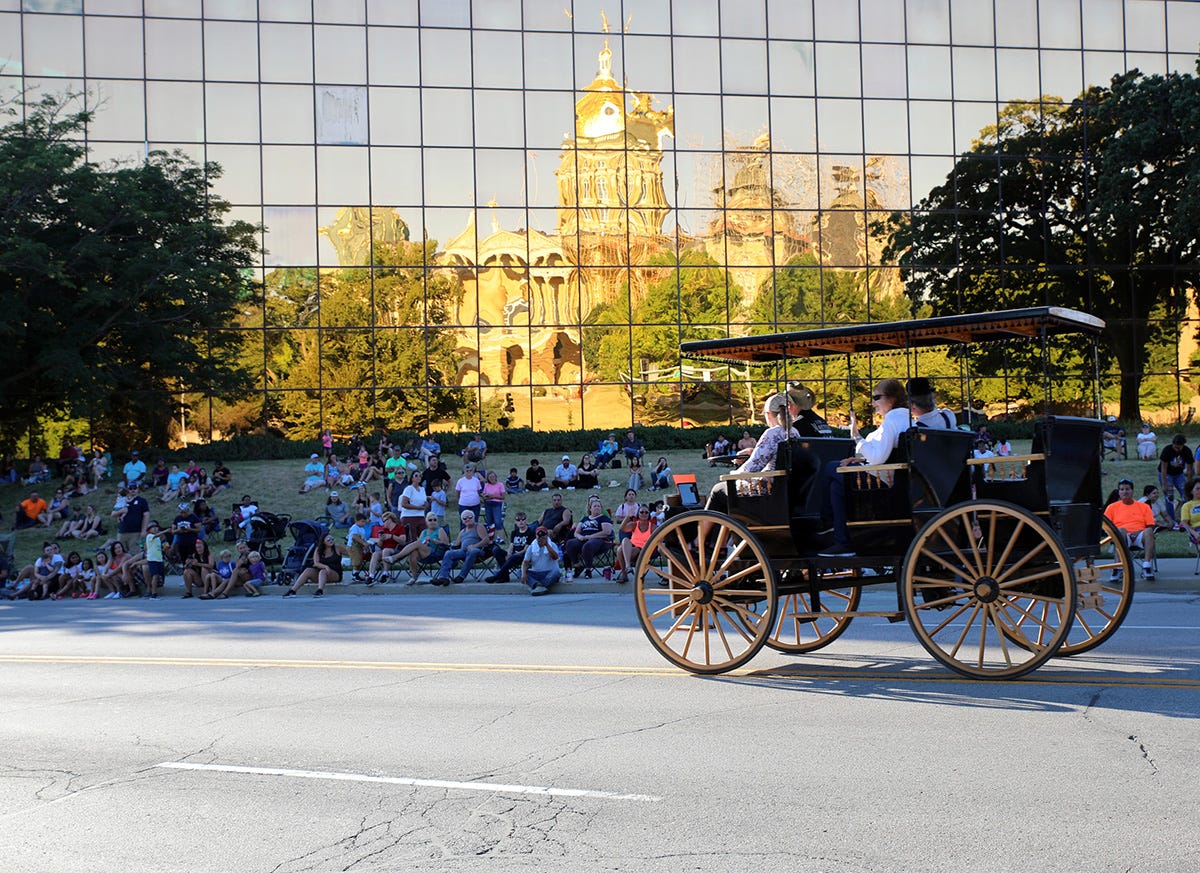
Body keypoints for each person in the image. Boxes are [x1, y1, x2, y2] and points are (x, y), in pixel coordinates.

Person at [820, 379, 910, 557]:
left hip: (881, 480)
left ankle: (828, 524)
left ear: (891, 399)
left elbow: (878, 457)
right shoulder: (905, 417)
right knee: (836, 485)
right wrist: (858, 459)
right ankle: (840, 537)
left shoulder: (892, 419)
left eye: (877, 397)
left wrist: (857, 437)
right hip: (888, 476)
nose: (873, 402)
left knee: (831, 468)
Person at [707, 393, 799, 513]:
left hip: (765, 491)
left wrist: (733, 474)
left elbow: (752, 468)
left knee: (718, 489)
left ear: (768, 414)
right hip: (785, 490)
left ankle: (703, 531)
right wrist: (753, 452)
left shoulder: (772, 433)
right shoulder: (795, 433)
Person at [1104, 477, 1157, 581]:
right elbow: (1106, 527)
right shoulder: (1112, 507)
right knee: (1121, 530)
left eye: (1127, 489)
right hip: (1122, 537)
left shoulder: (1144, 506)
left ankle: (1146, 566)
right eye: (1122, 489)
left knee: (1149, 531)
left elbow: (1151, 525)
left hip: (1140, 536)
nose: (1125, 492)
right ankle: (1118, 568)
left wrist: (1137, 533)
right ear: (1118, 492)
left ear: (1132, 491)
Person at [562, 494, 614, 579]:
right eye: (595, 506)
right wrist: (580, 537)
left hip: (600, 540)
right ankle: (577, 565)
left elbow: (606, 532)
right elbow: (576, 532)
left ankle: (588, 570)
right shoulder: (585, 519)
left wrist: (591, 536)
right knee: (570, 543)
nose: (597, 507)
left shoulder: (604, 518)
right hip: (584, 539)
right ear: (590, 508)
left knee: (588, 545)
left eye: (599, 506)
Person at [434, 509, 490, 586]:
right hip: (463, 551)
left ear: (474, 518)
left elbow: (486, 540)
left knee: (472, 551)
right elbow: (456, 545)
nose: (467, 519)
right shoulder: (462, 531)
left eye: (470, 517)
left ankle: (461, 576)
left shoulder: (478, 526)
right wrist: (446, 545)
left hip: (479, 551)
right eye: (464, 518)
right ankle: (443, 578)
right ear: (462, 521)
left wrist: (474, 546)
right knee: (449, 553)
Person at [284, 532, 350, 597]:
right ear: (323, 542)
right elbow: (316, 563)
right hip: (321, 573)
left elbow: (351, 554)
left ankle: (320, 590)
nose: (331, 541)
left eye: (332, 539)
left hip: (334, 573)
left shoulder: (337, 548)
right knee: (308, 570)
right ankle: (293, 591)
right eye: (328, 540)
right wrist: (325, 566)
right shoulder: (319, 549)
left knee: (323, 571)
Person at [392, 512, 449, 583]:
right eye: (430, 520)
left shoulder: (440, 530)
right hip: (424, 554)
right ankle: (414, 577)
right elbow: (419, 544)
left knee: (417, 544)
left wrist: (433, 540)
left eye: (435, 520)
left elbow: (446, 544)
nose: (433, 522)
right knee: (413, 552)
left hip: (435, 553)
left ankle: (396, 557)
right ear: (426, 522)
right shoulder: (424, 532)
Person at [484, 511, 535, 584]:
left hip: (523, 556)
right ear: (515, 522)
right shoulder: (514, 532)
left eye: (523, 519)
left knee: (513, 557)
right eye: (518, 520)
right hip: (513, 555)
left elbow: (526, 549)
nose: (521, 522)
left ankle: (498, 576)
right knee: (496, 550)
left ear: (526, 520)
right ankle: (505, 577)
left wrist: (514, 555)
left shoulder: (530, 532)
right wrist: (508, 554)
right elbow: (511, 545)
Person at [616, 505, 657, 584]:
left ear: (649, 514)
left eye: (646, 512)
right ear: (638, 514)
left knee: (620, 551)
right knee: (624, 542)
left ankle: (624, 573)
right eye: (641, 512)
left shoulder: (652, 527)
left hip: (644, 550)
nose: (644, 514)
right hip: (631, 547)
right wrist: (628, 516)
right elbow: (622, 528)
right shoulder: (634, 524)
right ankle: (627, 567)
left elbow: (660, 538)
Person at [521, 526, 562, 596]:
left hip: (549, 572)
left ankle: (537, 586)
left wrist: (547, 545)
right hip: (536, 573)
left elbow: (555, 557)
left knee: (556, 573)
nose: (541, 537)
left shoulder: (552, 545)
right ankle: (539, 585)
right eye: (539, 535)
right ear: (536, 536)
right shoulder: (531, 547)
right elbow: (525, 562)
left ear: (547, 535)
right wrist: (523, 573)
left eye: (543, 535)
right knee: (520, 572)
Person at [1160, 434, 1191, 502]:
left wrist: (1189, 484)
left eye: (1178, 448)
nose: (1176, 449)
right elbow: (1163, 468)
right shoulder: (1167, 450)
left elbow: (1189, 469)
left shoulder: (1187, 451)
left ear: (1183, 445)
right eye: (1175, 447)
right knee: (1169, 496)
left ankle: (1184, 510)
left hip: (1179, 474)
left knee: (1186, 494)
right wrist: (1164, 484)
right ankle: (1171, 512)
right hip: (1167, 473)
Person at [1176, 479, 1200, 546]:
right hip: (1197, 530)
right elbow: (1184, 523)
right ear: (1191, 491)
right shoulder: (1187, 506)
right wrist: (1194, 533)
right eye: (1197, 489)